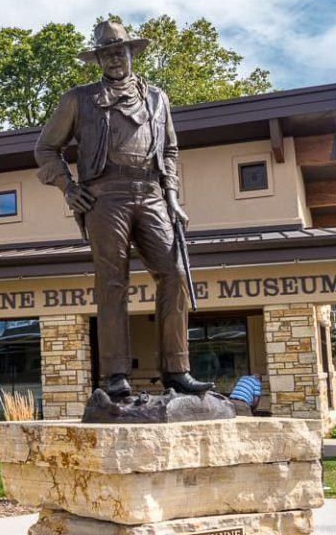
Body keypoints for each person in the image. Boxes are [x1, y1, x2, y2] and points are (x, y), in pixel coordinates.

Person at [34, 20, 214, 400]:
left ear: (131, 52)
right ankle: (115, 375)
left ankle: (176, 370)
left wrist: (173, 197)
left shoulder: (157, 98)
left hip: (151, 194)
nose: (114, 57)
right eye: (106, 52)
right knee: (113, 283)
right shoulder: (78, 99)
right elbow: (45, 149)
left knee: (176, 274)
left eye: (119, 49)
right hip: (105, 196)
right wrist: (68, 187)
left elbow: (169, 150)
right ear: (98, 58)